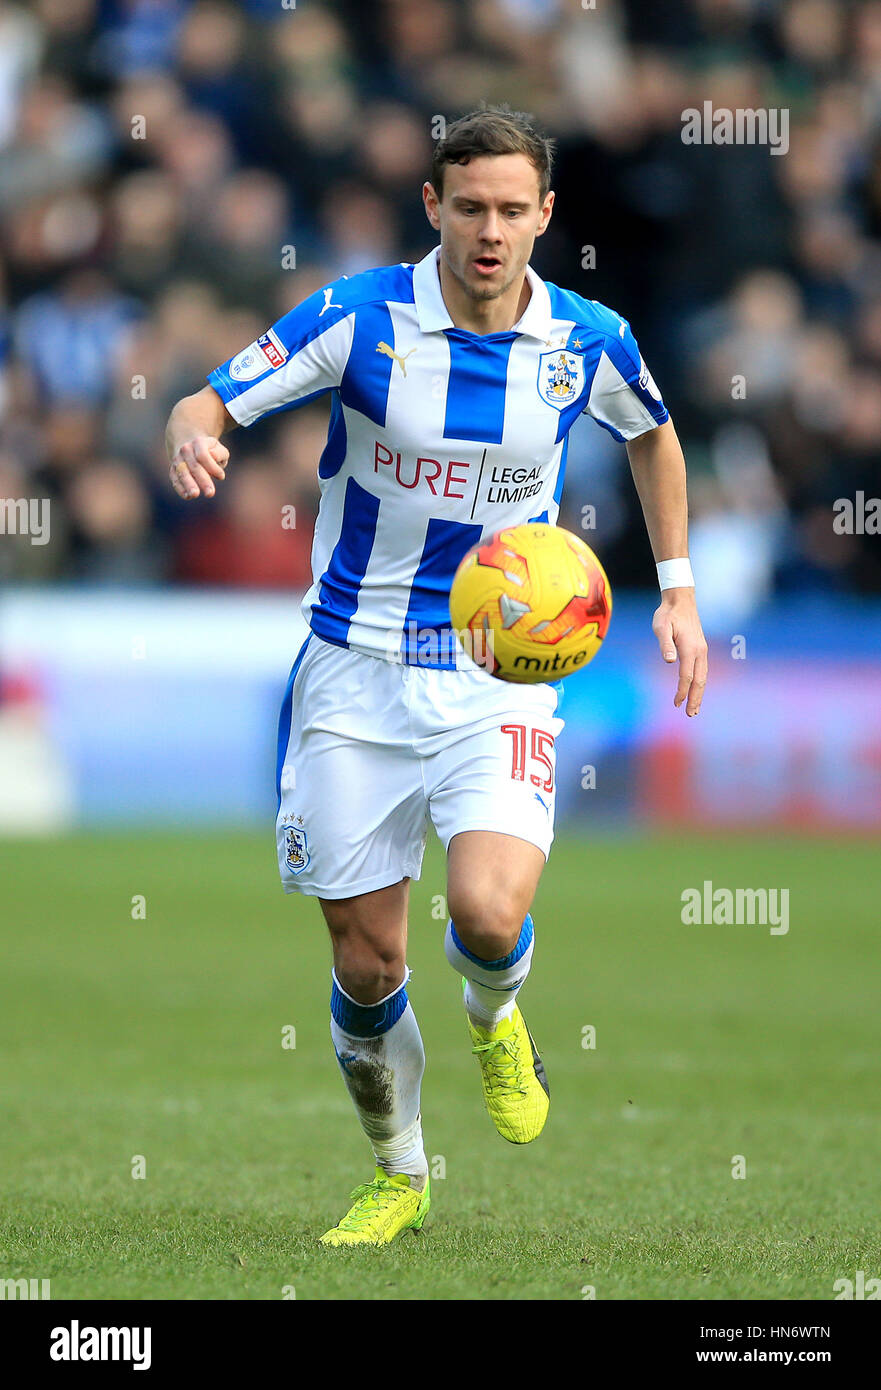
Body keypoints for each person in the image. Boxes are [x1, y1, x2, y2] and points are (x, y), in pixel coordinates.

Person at [164, 108, 708, 1246]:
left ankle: (496, 1016)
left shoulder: (586, 339)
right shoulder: (358, 319)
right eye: (470, 207)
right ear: (433, 207)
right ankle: (401, 1171)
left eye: (514, 209)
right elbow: (209, 395)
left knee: (485, 911)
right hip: (351, 673)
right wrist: (194, 429)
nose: (491, 230)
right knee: (367, 966)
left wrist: (679, 586)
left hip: (497, 673)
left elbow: (653, 434)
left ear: (545, 215)